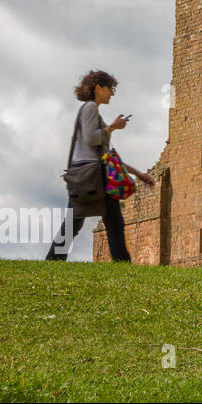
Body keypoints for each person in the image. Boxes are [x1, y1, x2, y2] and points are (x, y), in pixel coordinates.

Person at [44, 69, 155, 261]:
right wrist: (113, 127)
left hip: (90, 173)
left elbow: (107, 156)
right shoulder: (90, 108)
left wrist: (139, 174)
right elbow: (90, 139)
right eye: (110, 88)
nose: (112, 93)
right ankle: (122, 264)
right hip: (92, 174)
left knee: (82, 223)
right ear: (98, 87)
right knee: (110, 222)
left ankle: (53, 261)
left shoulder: (93, 111)